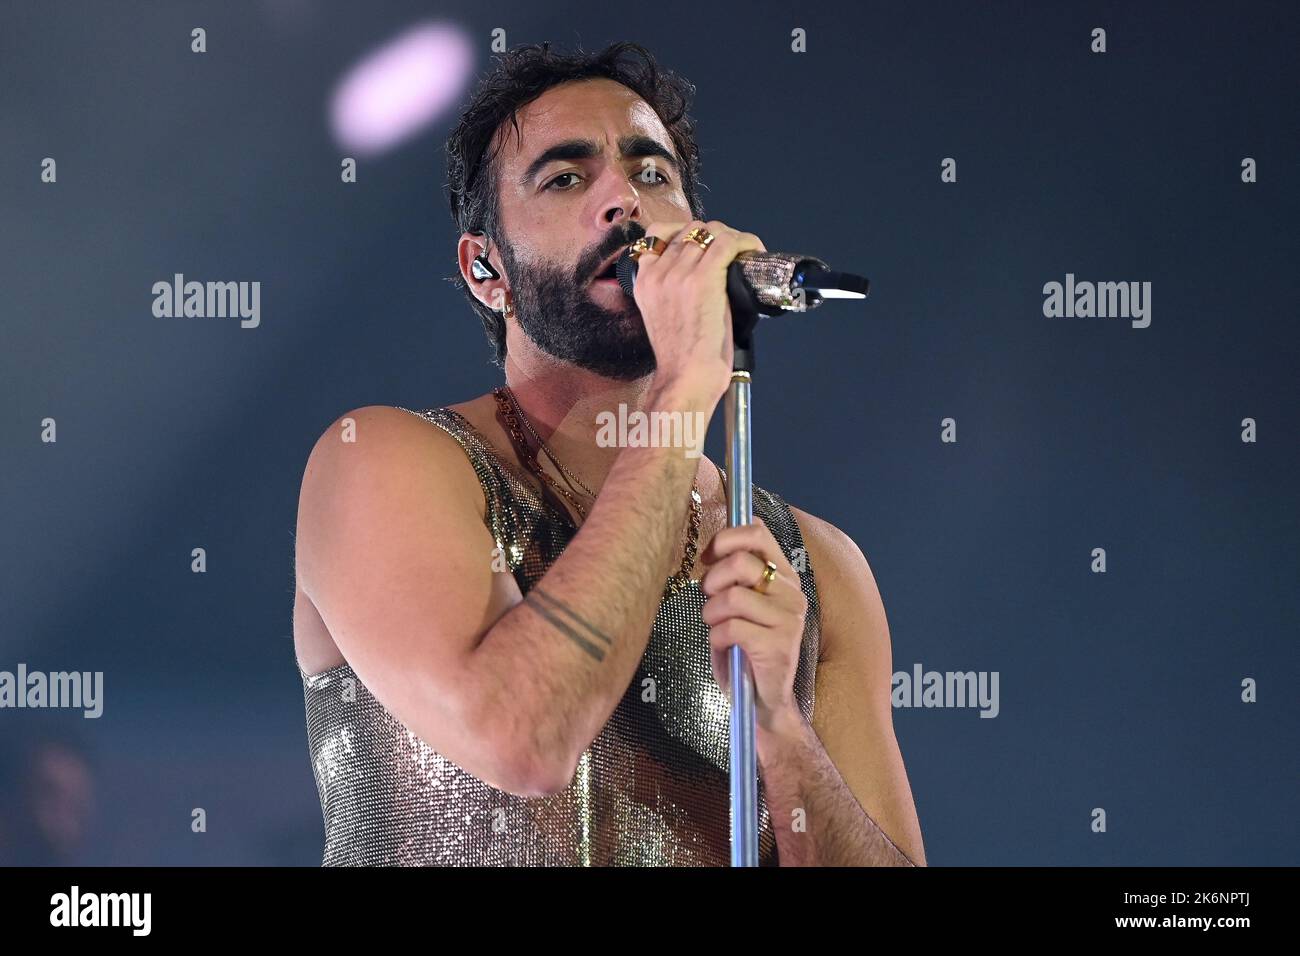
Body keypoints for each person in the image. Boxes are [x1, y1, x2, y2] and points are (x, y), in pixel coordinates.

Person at [293, 41, 925, 866]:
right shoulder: (382, 462)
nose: (623, 200)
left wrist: (781, 728)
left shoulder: (815, 566)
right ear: (487, 269)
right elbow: (523, 741)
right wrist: (683, 391)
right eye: (565, 177)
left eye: (653, 173)